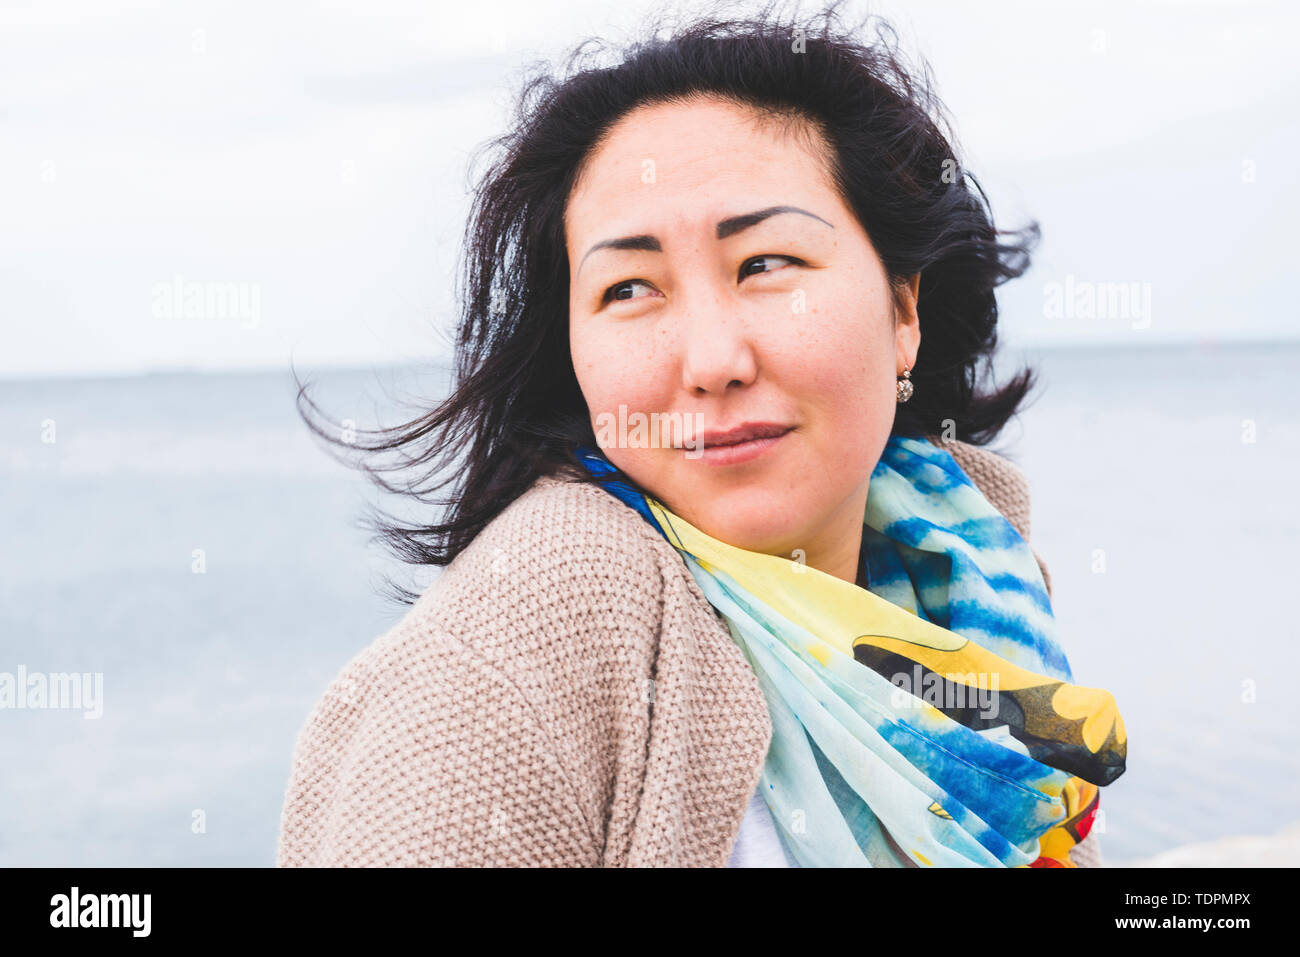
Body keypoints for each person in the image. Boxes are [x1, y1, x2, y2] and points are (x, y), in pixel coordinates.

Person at [277, 0, 1125, 868]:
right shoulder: (548, 607)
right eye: (631, 289)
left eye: (766, 265)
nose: (713, 360)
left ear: (902, 308)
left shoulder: (975, 576)